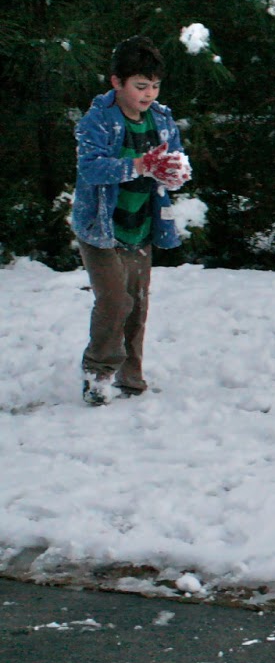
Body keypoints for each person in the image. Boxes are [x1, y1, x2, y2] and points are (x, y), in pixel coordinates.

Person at [70, 35, 193, 406]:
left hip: (141, 225)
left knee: (137, 304)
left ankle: (130, 375)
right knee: (114, 302)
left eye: (155, 86)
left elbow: (179, 160)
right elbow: (90, 169)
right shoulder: (98, 121)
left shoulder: (161, 119)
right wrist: (139, 165)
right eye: (140, 86)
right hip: (101, 229)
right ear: (116, 83)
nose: (149, 94)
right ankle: (98, 374)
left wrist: (175, 173)